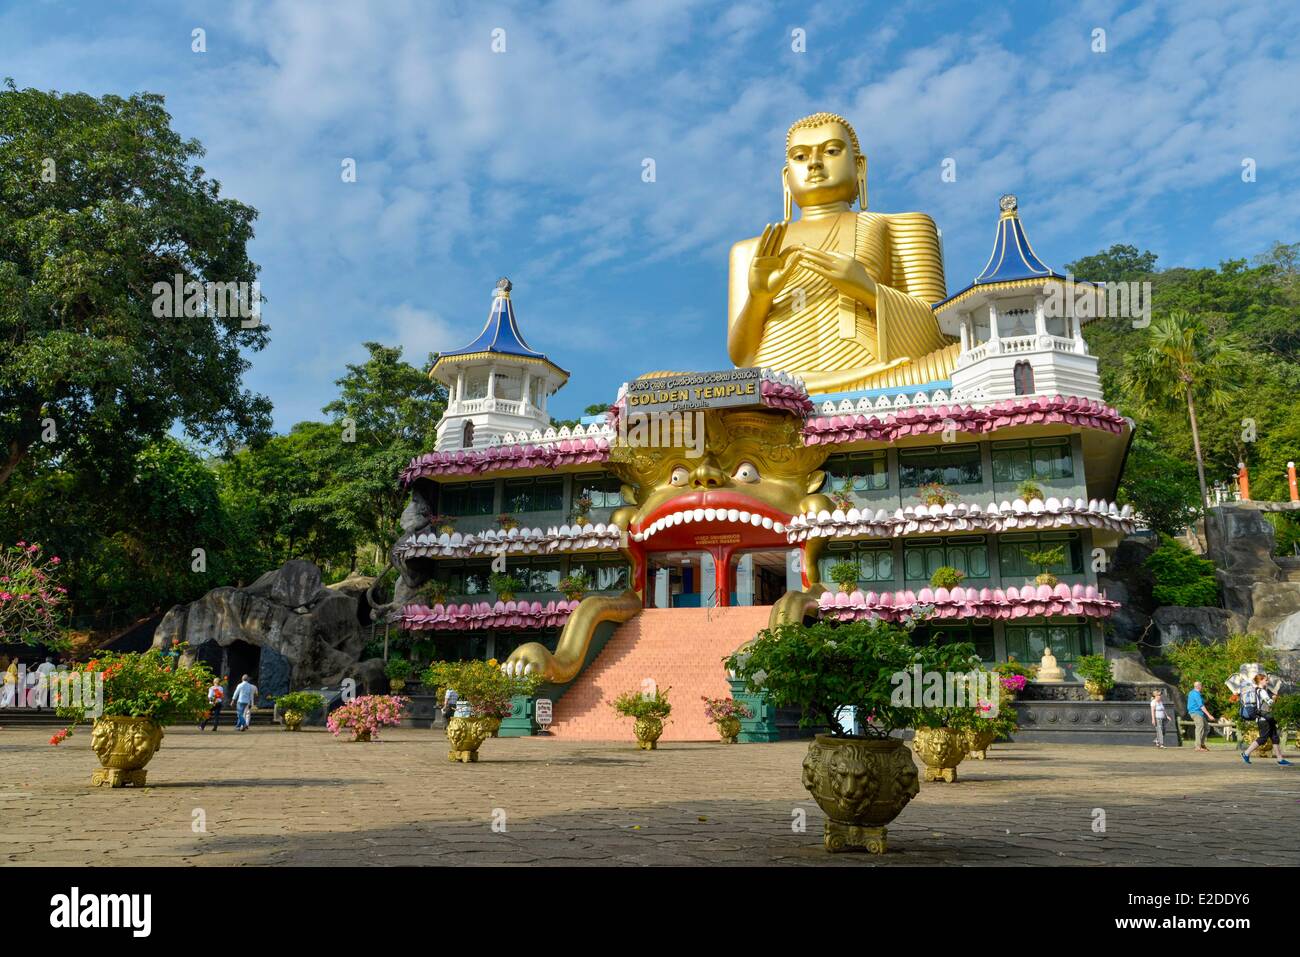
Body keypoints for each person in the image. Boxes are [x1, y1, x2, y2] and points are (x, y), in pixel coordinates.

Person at [1242, 672, 1292, 766]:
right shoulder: (1262, 691)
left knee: (1274, 737)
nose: (1267, 681)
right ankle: (1246, 753)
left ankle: (1280, 759)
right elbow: (1270, 703)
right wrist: (1274, 698)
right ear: (1260, 681)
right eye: (1265, 680)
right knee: (1263, 738)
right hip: (1264, 718)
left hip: (1267, 717)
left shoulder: (1257, 690)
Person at [1186, 681, 1217, 752]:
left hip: (1199, 713)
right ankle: (1197, 746)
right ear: (1199, 686)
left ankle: (1202, 744)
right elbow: (1201, 706)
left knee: (1206, 728)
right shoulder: (1196, 694)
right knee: (1199, 728)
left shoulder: (1192, 692)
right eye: (1201, 686)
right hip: (1196, 713)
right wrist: (1209, 715)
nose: (1202, 687)